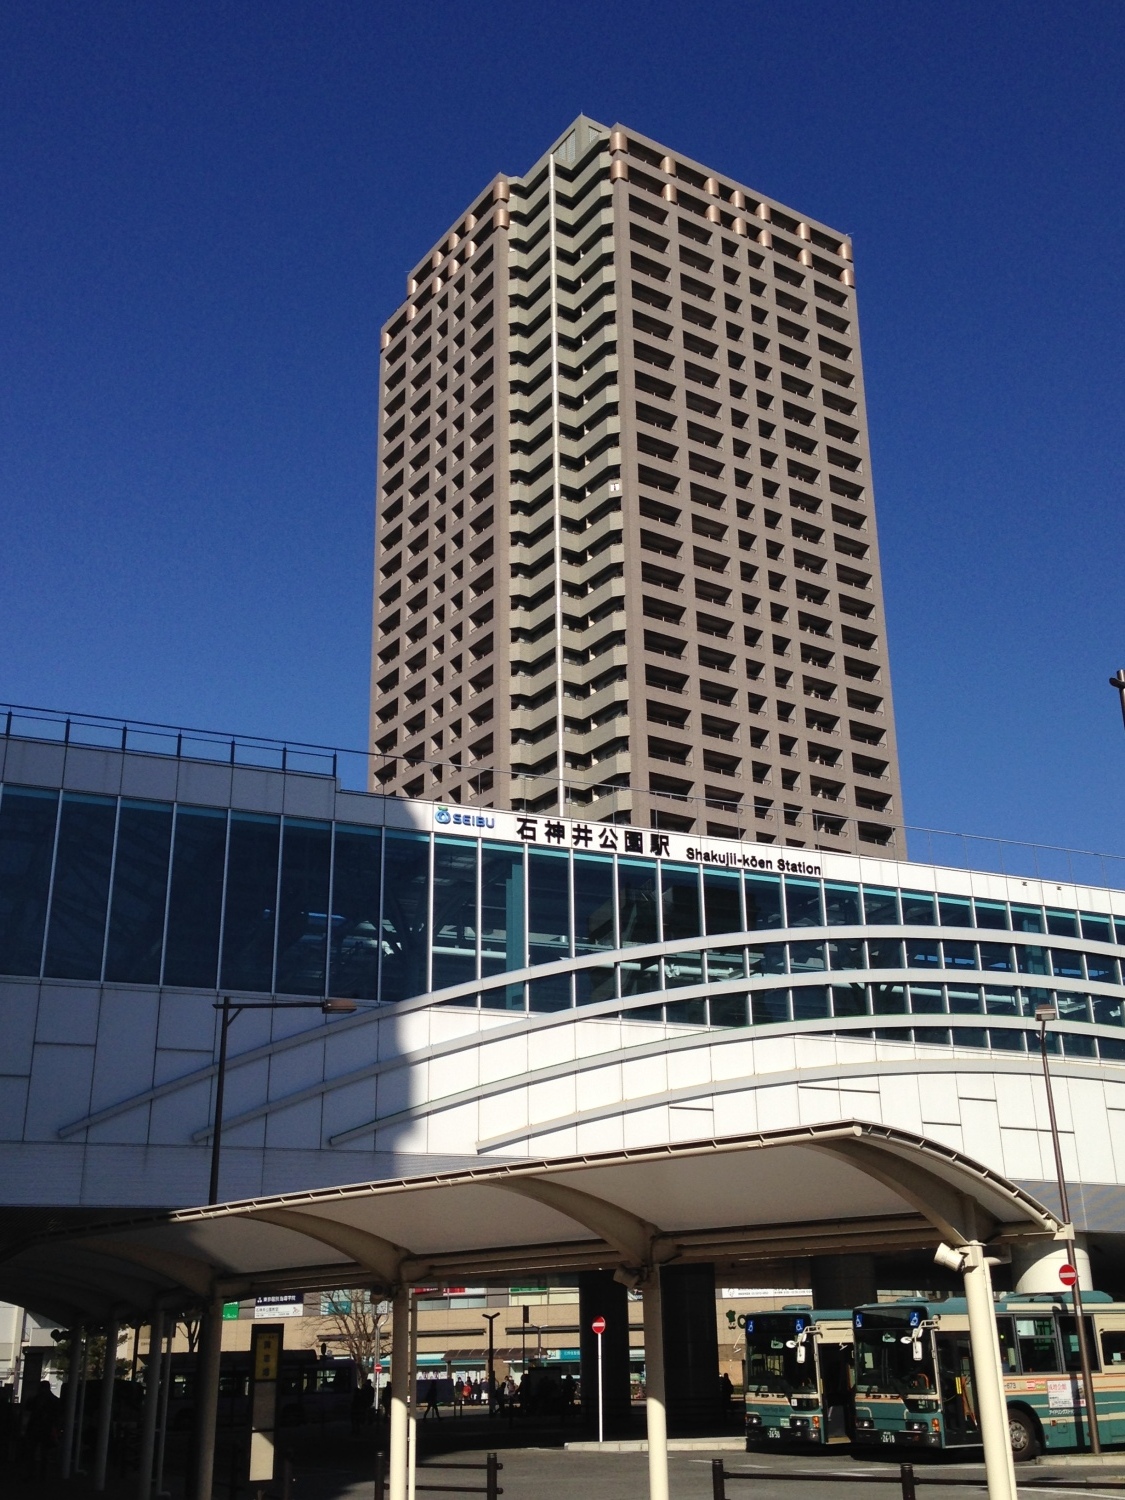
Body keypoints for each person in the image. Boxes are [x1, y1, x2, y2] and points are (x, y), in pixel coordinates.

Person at [22, 1381, 60, 1480]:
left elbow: (28, 1410)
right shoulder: (53, 1400)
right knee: (44, 1453)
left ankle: (32, 1473)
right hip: (46, 1429)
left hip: (36, 1428)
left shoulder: (35, 1399)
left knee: (33, 1452)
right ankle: (41, 1474)